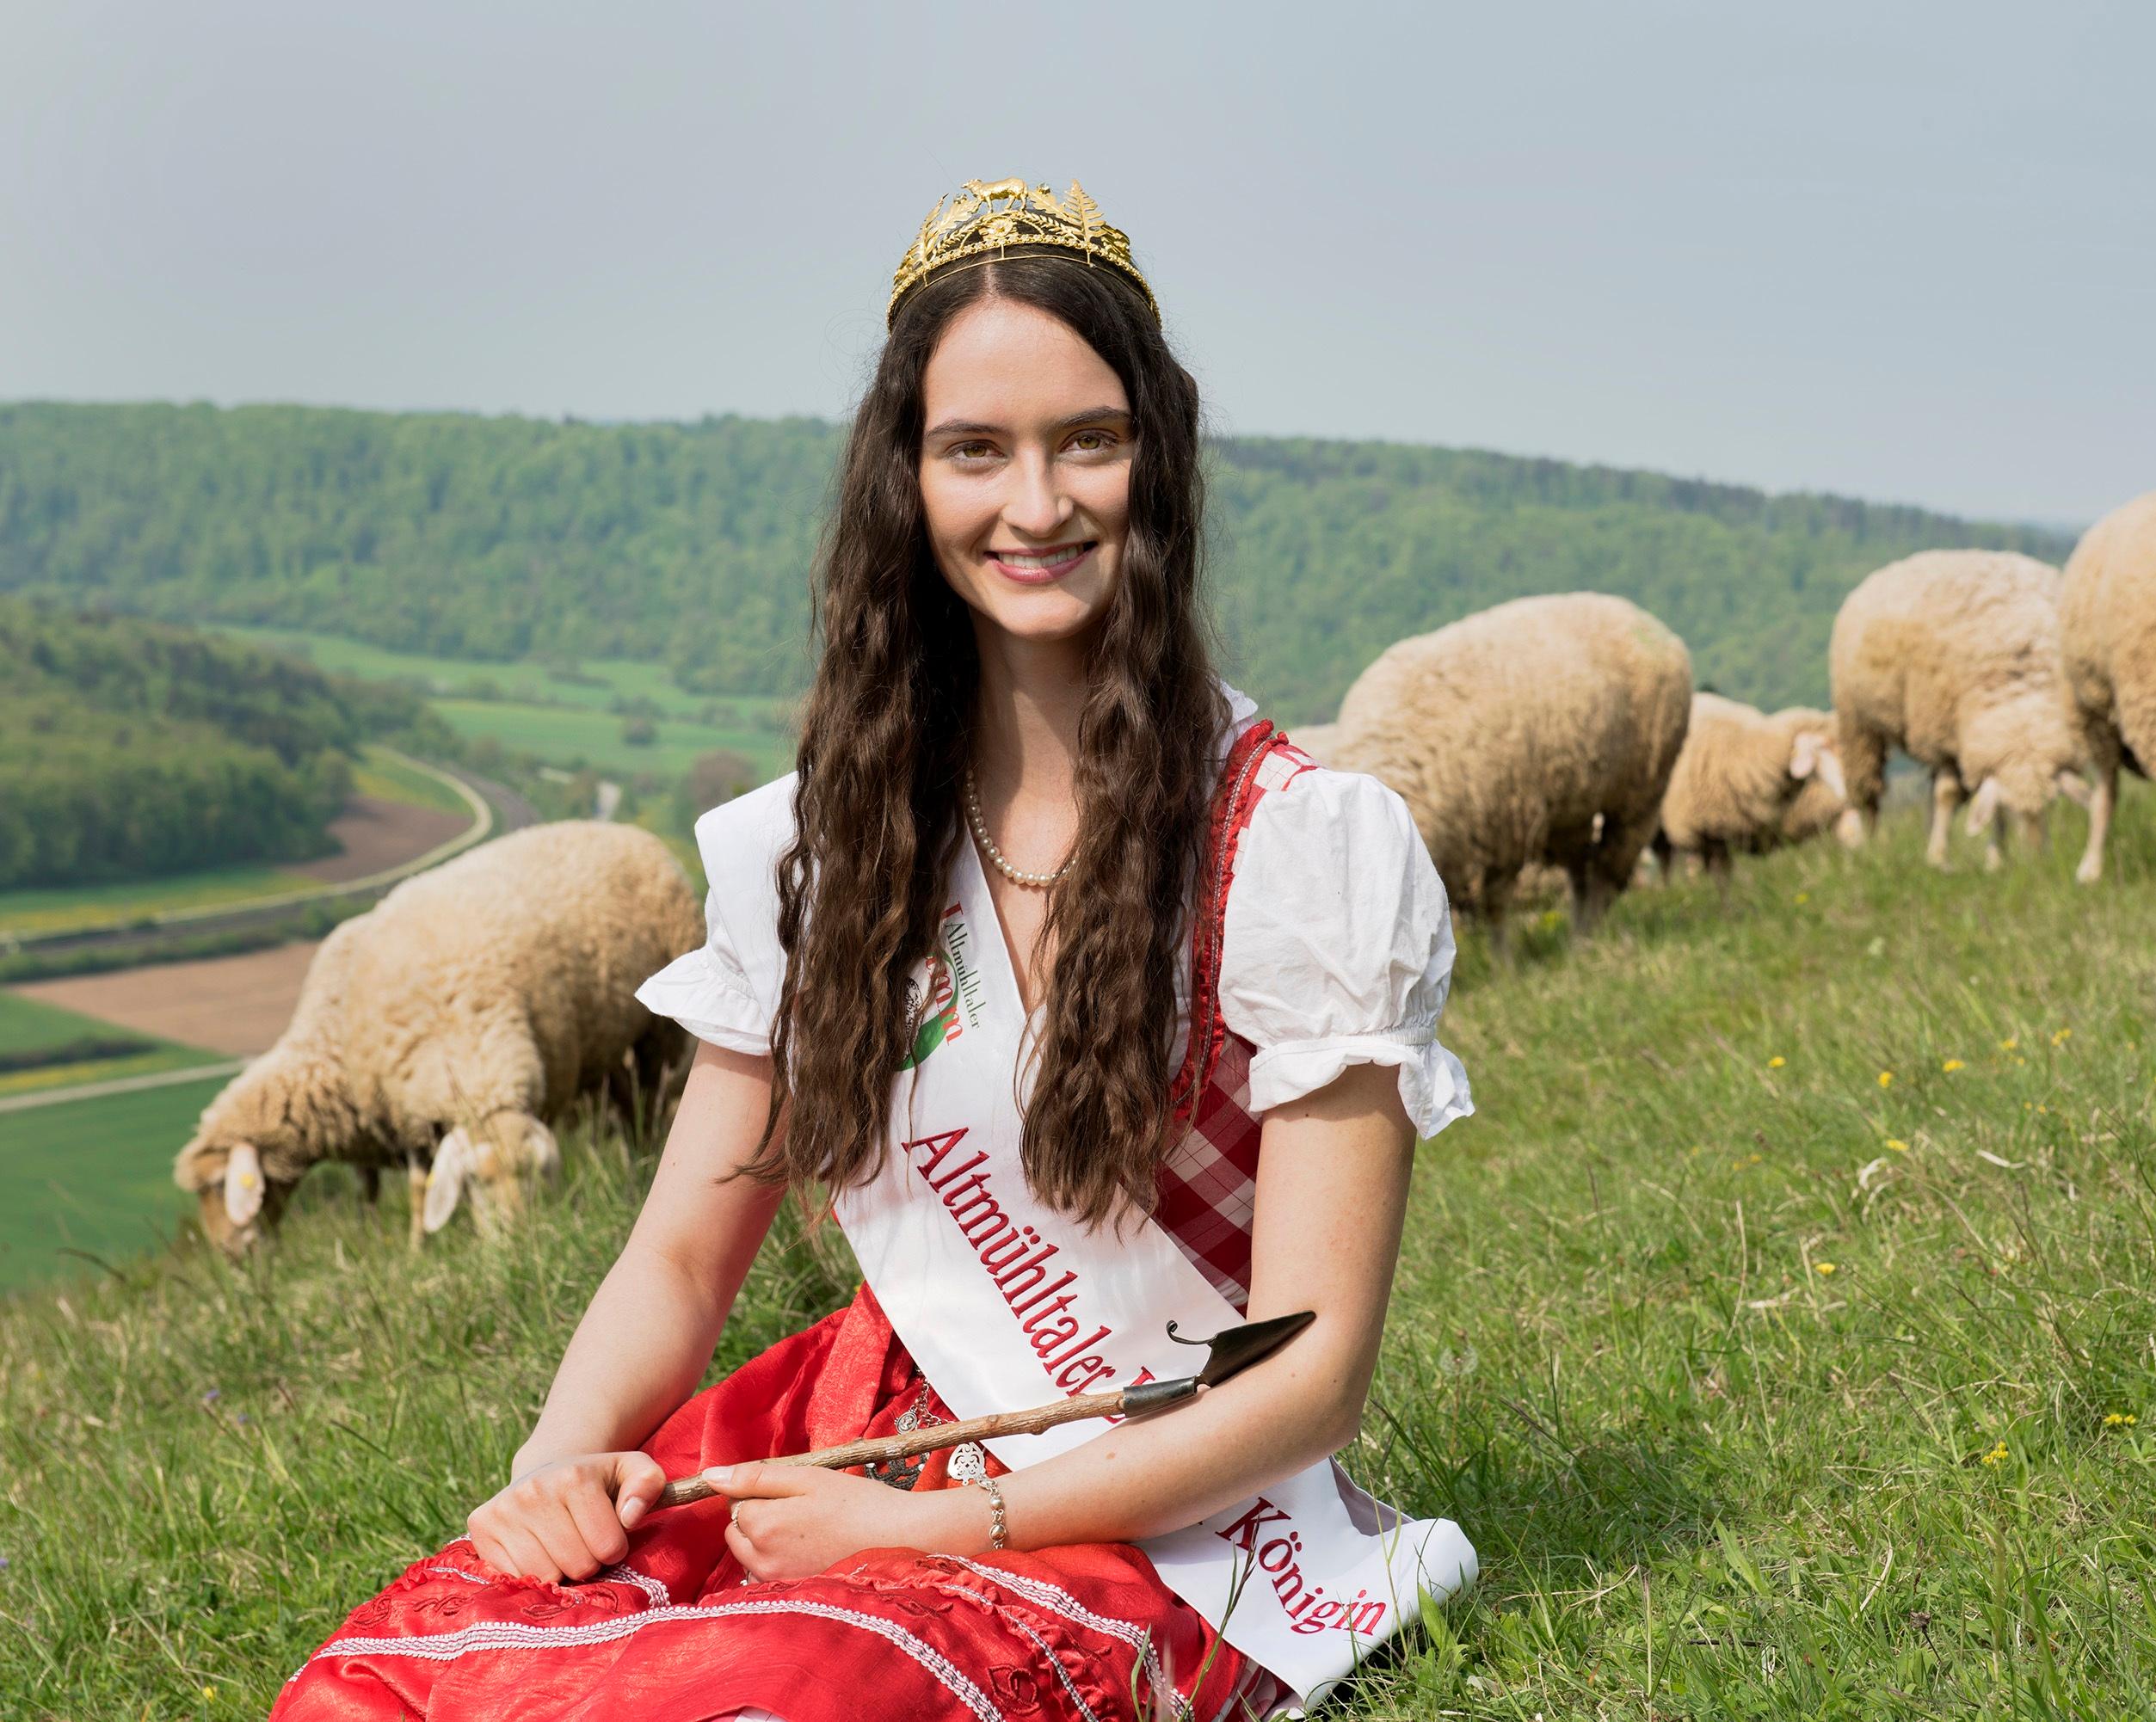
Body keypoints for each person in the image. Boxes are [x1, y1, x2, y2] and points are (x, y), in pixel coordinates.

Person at [273, 178, 1477, 1722]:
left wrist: (928, 1525)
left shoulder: (1301, 850)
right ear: (905, 479)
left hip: (1146, 1502)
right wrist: (553, 1467)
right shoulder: (821, 852)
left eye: (1086, 441)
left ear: (1155, 459)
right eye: (976, 449)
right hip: (853, 1424)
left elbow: (1309, 1381)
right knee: (385, 1689)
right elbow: (680, 1255)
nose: (1033, 506)